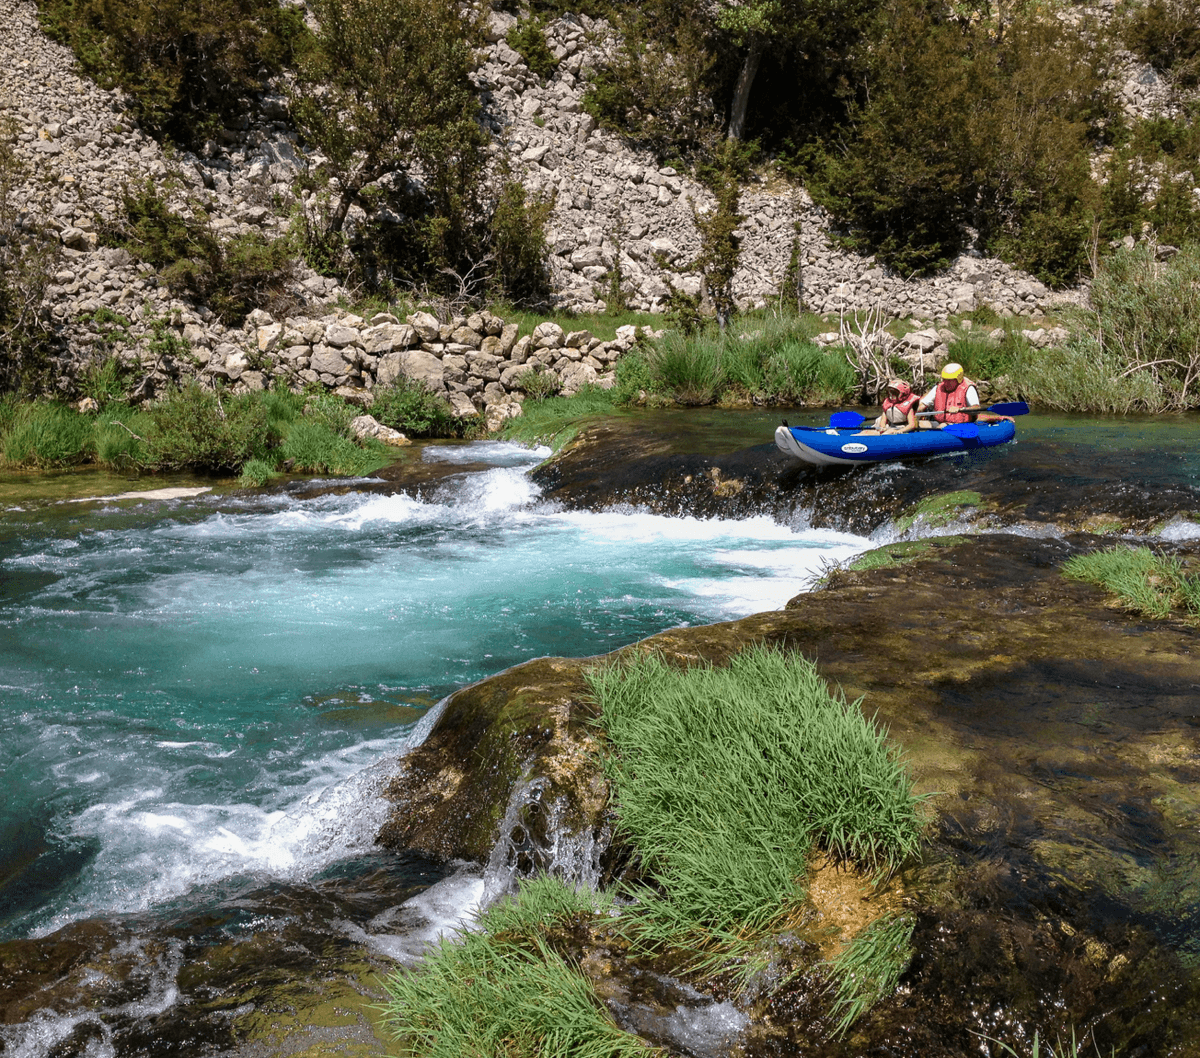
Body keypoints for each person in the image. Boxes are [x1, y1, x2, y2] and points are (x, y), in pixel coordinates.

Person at [918, 363, 1014, 428]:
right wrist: (913, 410)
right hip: (940, 422)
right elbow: (922, 405)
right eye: (945, 379)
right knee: (921, 424)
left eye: (949, 380)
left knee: (943, 425)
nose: (946, 383)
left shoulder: (968, 389)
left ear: (958, 379)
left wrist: (960, 409)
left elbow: (976, 409)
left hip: (960, 426)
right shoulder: (939, 387)